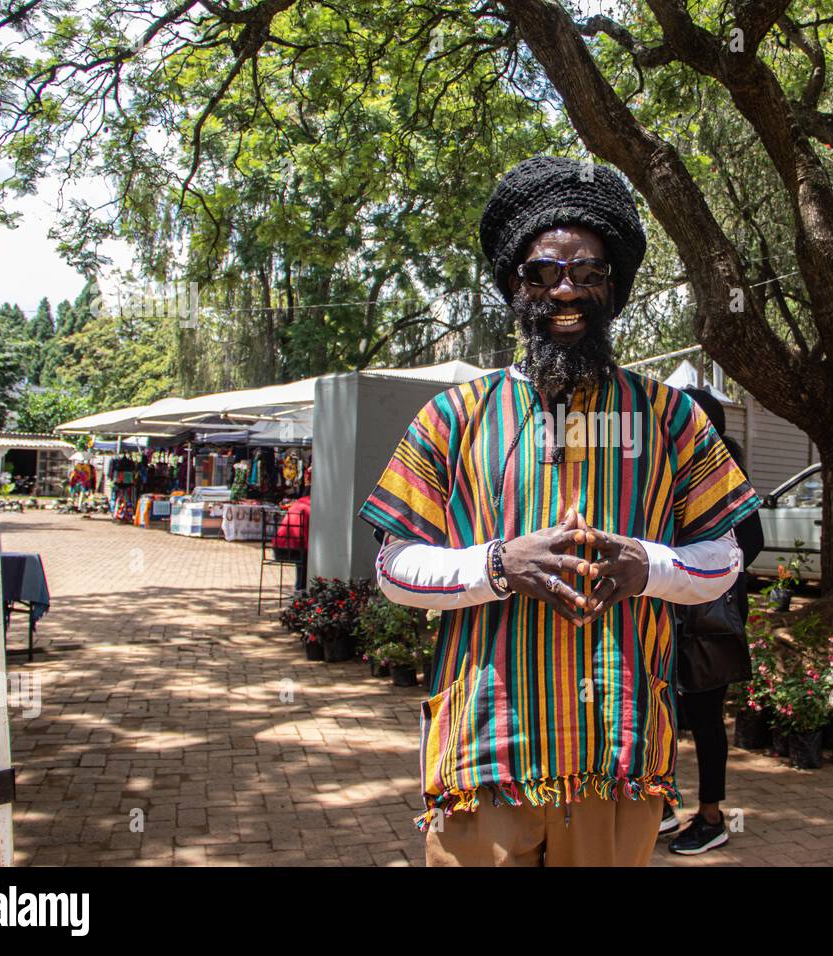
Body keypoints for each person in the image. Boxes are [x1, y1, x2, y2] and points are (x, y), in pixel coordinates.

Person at [358, 155, 762, 867]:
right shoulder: (454, 415)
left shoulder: (671, 417)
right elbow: (393, 567)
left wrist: (651, 565)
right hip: (485, 753)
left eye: (588, 273)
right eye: (543, 273)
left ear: (615, 286)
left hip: (619, 750)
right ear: (516, 286)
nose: (565, 290)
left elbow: (725, 557)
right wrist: (498, 564)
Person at [660, 386, 764, 855]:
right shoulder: (668, 472)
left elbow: (751, 541)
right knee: (659, 709)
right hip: (666, 616)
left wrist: (699, 576)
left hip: (707, 618)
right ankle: (660, 804)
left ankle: (711, 817)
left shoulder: (724, 476)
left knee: (705, 717)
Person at [272, 494, 311, 592]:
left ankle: (300, 587)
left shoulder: (299, 503)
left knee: (303, 551)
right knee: (306, 553)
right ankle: (301, 588)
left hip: (279, 548)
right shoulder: (310, 507)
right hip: (295, 549)